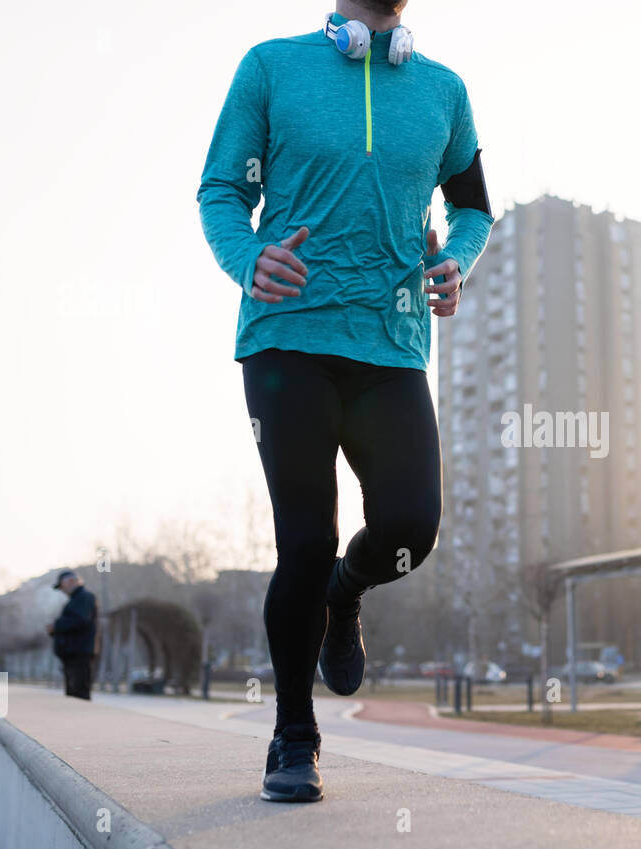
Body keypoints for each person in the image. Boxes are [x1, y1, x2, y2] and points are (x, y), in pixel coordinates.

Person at [196, 0, 493, 803]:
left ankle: (346, 590)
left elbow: (472, 206)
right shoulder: (271, 67)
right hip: (287, 340)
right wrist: (248, 256)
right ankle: (294, 736)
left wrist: (456, 258)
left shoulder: (442, 90)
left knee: (411, 527)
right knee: (303, 536)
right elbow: (221, 189)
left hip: (390, 347)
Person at [46, 570, 98, 701]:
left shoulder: (84, 597)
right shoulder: (76, 599)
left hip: (79, 653)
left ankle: (82, 721)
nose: (62, 591)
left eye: (62, 586)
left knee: (78, 695)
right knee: (73, 695)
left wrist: (57, 626)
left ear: (70, 581)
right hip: (73, 654)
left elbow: (80, 620)